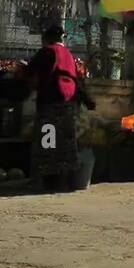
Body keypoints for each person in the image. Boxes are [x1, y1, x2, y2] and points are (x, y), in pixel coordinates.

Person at [21, 24, 95, 192]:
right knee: (65, 142)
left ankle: (49, 181)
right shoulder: (68, 54)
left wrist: (22, 69)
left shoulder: (48, 51)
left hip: (51, 101)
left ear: (47, 39)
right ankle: (63, 181)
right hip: (69, 103)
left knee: (49, 140)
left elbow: (31, 70)